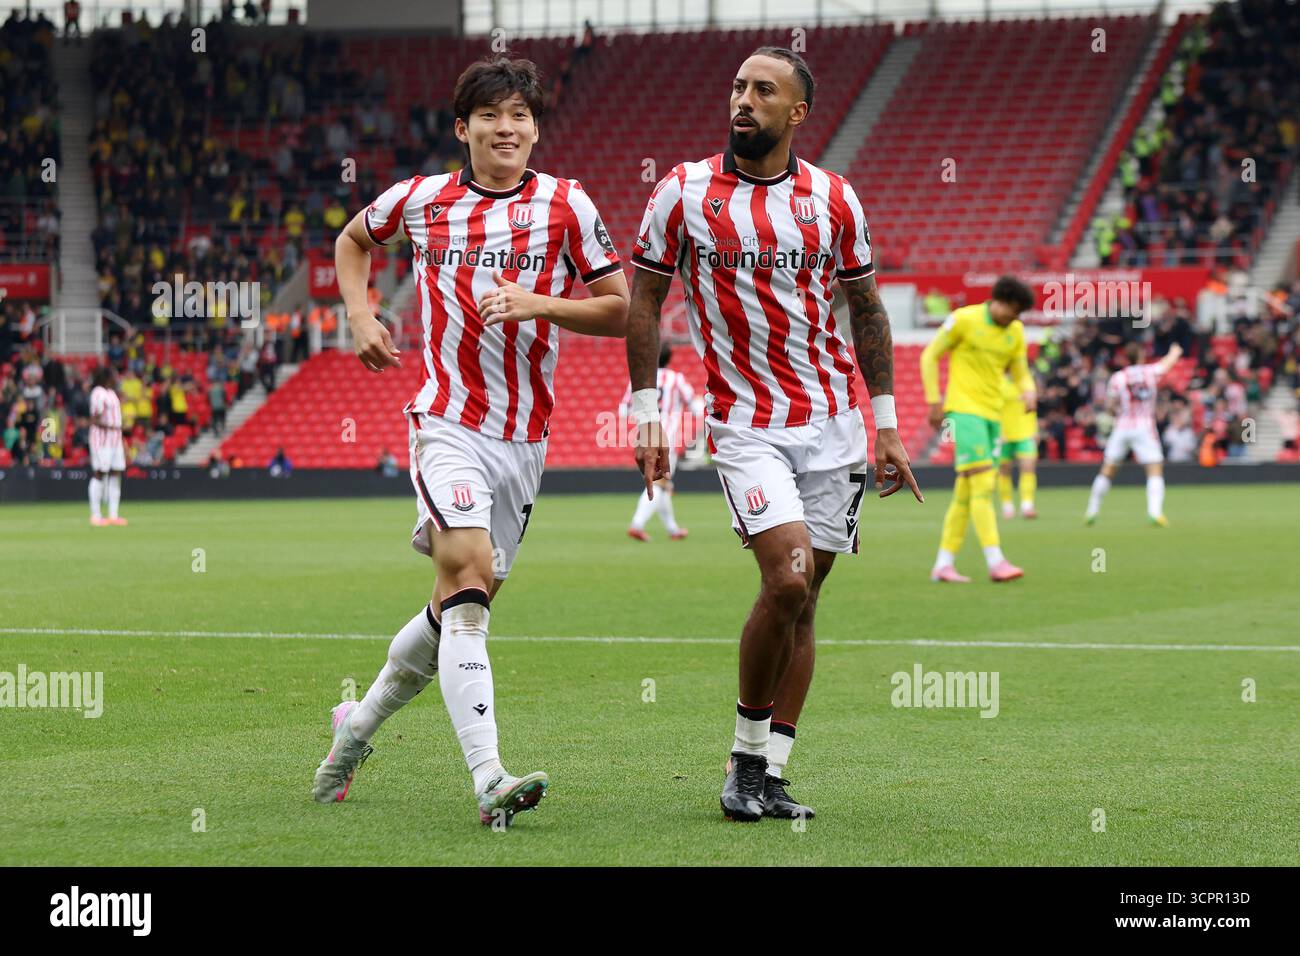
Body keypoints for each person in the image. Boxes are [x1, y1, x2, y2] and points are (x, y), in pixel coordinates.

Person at [317, 55, 629, 826]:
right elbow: (353, 242)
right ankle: (490, 779)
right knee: (467, 591)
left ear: (534, 129)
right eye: (492, 115)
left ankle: (351, 735)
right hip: (446, 420)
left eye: (521, 115)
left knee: (458, 607)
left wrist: (539, 304)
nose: (508, 128)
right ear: (464, 129)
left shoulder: (566, 205)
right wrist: (359, 315)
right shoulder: (421, 201)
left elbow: (622, 308)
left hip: (525, 442)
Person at [626, 47, 921, 823]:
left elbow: (867, 312)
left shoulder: (833, 198)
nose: (743, 101)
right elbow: (645, 302)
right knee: (787, 579)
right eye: (737, 88)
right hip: (746, 425)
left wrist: (885, 425)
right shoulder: (683, 192)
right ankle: (742, 759)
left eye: (764, 91)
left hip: (833, 425)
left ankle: (769, 769)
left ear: (797, 114)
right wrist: (645, 408)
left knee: (806, 602)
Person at [922, 276, 1037, 583]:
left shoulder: (1015, 332)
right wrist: (935, 402)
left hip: (993, 415)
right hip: (963, 412)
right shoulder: (963, 320)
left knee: (965, 492)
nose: (1016, 317)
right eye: (1013, 310)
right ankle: (995, 560)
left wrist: (1029, 390)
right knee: (984, 484)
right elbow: (929, 356)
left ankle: (943, 564)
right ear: (998, 300)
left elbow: (1021, 373)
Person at [1085, 342, 1183, 526]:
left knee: (1108, 470)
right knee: (1154, 469)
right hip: (1144, 426)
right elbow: (1166, 364)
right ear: (1140, 356)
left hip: (1122, 426)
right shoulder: (1149, 372)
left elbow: (1110, 405)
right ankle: (1155, 512)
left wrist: (1116, 413)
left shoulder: (1118, 377)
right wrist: (1175, 352)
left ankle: (1092, 510)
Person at [619, 343, 696, 541]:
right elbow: (694, 406)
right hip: (666, 438)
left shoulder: (638, 380)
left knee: (662, 483)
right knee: (660, 483)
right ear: (669, 358)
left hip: (645, 437)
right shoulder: (675, 379)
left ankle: (673, 529)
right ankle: (637, 524)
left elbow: (624, 409)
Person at [88, 365, 127, 526]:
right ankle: (96, 515)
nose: (116, 378)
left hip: (115, 440)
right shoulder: (98, 393)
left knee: (116, 473)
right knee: (100, 473)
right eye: (113, 375)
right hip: (102, 440)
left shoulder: (112, 393)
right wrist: (112, 427)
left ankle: (113, 514)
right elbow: (94, 419)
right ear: (106, 378)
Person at [997, 374, 1039, 519]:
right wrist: (998, 431)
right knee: (1004, 470)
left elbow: (1033, 407)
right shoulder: (998, 381)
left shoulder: (1027, 380)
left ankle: (1027, 505)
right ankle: (1007, 505)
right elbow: (994, 408)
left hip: (1025, 432)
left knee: (1028, 466)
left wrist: (1035, 429)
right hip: (1004, 433)